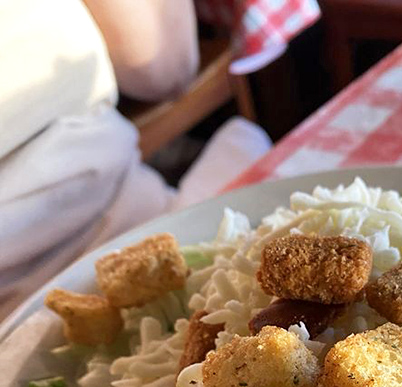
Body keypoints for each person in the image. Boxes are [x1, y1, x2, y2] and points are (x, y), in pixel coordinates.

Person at [0, 0, 270, 319]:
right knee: (255, 141)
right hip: (137, 226)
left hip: (131, 252)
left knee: (248, 140)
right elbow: (164, 69)